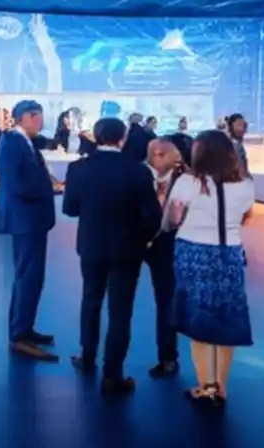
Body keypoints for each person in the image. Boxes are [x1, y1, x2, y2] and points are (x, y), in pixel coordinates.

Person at [62, 118, 161, 394]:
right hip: (127, 250)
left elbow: (70, 208)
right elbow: (152, 217)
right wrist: (141, 237)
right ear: (123, 138)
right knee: (121, 310)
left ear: (95, 136)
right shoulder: (138, 172)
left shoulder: (79, 168)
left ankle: (87, 356)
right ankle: (113, 373)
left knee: (90, 300)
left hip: (91, 246)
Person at [165, 130, 256, 407]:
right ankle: (222, 387)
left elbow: (172, 219)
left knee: (198, 317)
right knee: (225, 318)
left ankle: (206, 386)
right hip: (228, 253)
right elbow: (246, 217)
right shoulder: (245, 184)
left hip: (193, 252)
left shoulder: (187, 182)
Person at [0, 100, 57, 361]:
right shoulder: (12, 143)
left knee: (30, 276)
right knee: (28, 276)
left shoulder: (23, 143)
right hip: (25, 220)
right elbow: (15, 183)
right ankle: (19, 334)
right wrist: (49, 188)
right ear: (28, 118)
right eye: (39, 118)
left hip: (30, 220)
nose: (41, 123)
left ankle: (24, 327)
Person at [144, 138, 185, 378]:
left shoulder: (186, 178)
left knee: (166, 301)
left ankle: (168, 357)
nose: (178, 158)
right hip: (135, 243)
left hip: (169, 245)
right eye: (174, 154)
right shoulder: (136, 174)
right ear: (158, 154)